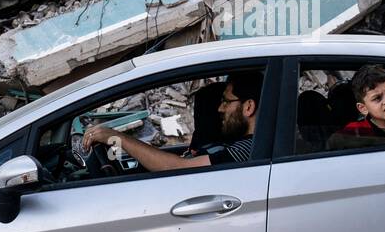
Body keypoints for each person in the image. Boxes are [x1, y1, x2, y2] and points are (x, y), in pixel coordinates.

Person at [80, 71, 261, 173]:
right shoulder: (232, 141)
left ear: (248, 107)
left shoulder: (247, 150)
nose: (219, 109)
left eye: (226, 101)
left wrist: (117, 137)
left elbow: (180, 168)